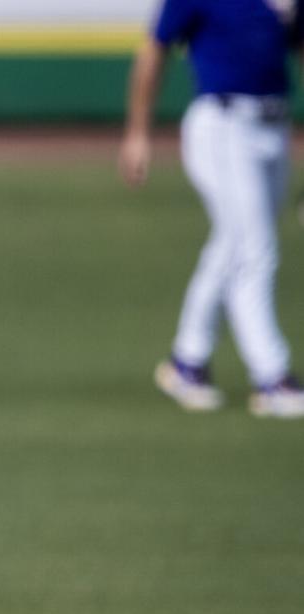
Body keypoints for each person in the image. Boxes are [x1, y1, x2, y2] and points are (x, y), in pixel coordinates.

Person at [120, 0, 304, 419]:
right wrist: (137, 133)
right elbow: (154, 50)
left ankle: (188, 361)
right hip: (223, 126)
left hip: (274, 126)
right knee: (255, 250)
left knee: (233, 246)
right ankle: (271, 375)